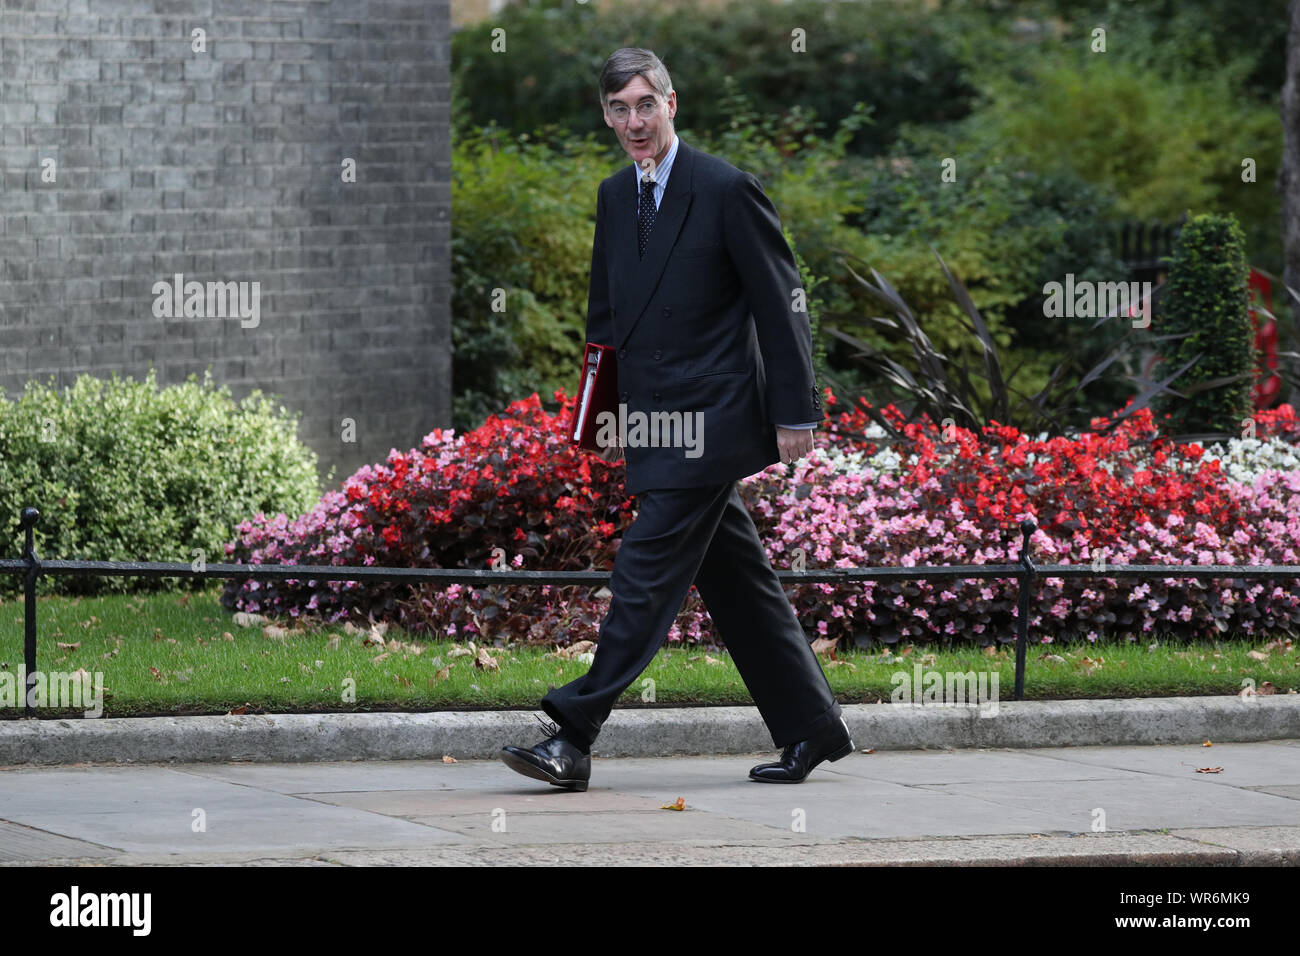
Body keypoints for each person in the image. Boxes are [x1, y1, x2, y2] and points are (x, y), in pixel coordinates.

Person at [500, 47, 852, 791]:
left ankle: (572, 733)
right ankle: (812, 727)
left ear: (671, 103)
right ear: (606, 115)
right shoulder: (611, 195)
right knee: (737, 581)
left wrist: (795, 412)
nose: (633, 121)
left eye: (644, 105)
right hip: (651, 420)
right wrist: (601, 414)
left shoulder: (725, 189)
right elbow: (607, 313)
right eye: (618, 109)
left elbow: (781, 302)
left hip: (712, 418)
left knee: (644, 573)